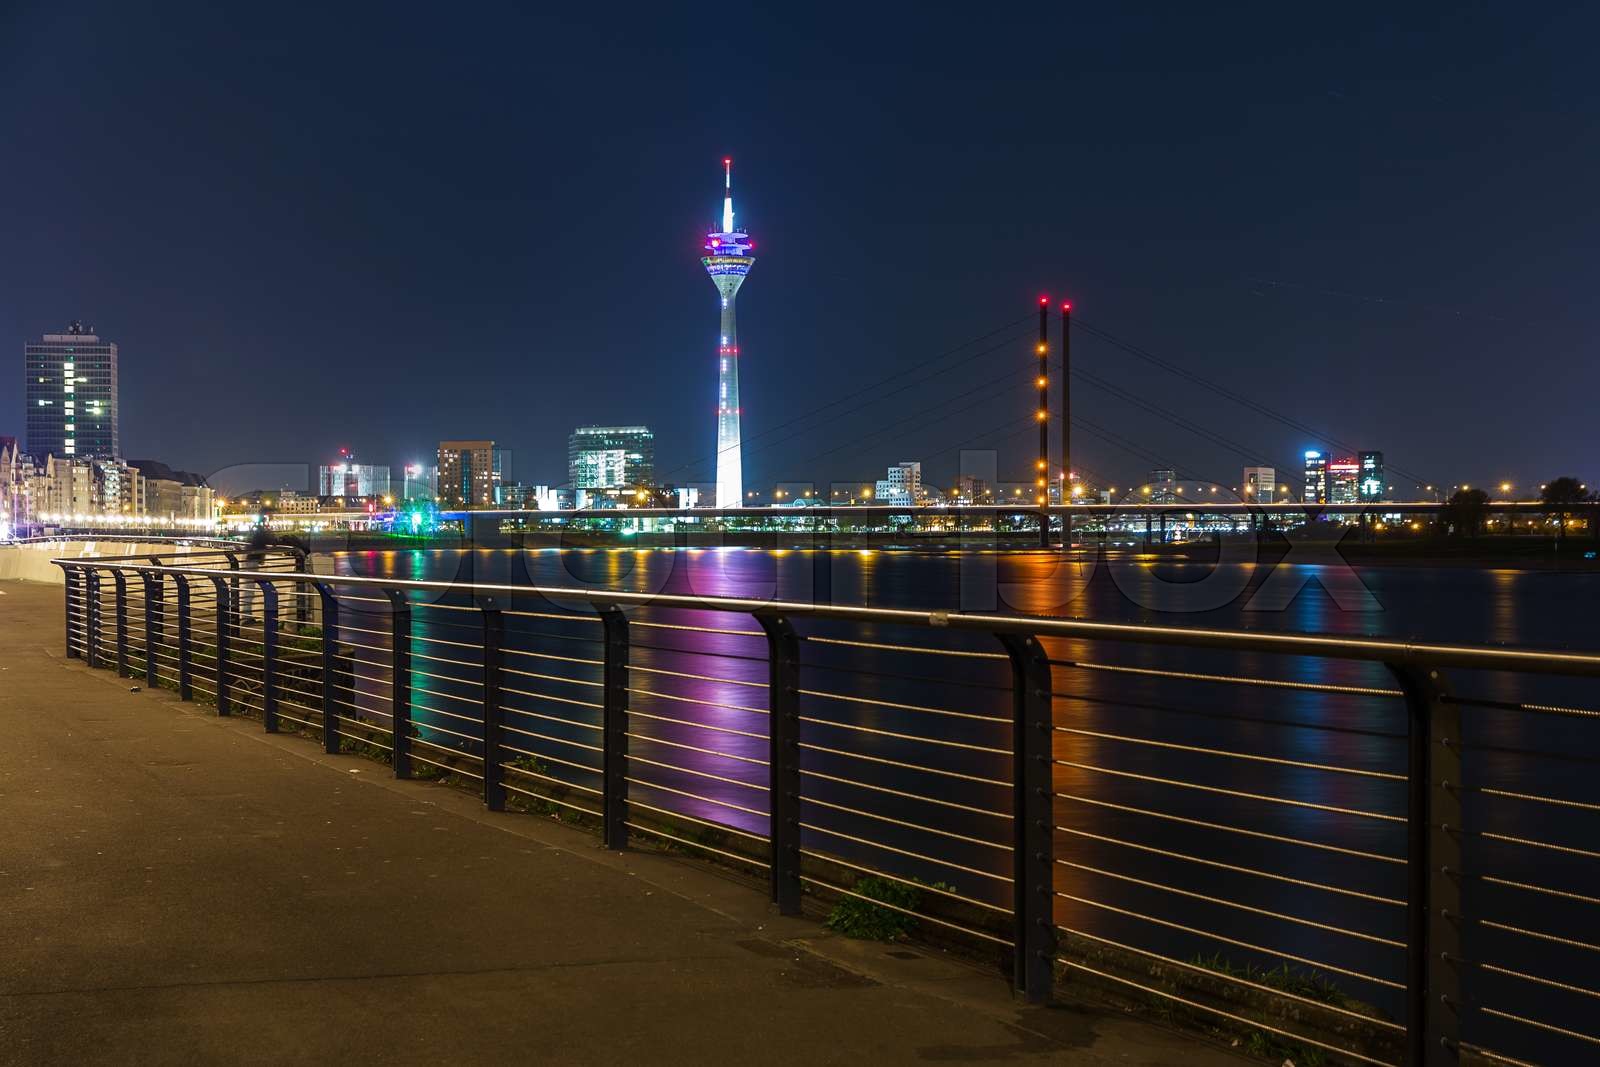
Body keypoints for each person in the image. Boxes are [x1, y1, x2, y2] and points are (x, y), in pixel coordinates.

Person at [239, 525, 271, 622]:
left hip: (250, 559)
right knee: (249, 589)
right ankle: (246, 616)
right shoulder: (261, 531)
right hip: (252, 561)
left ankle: (246, 614)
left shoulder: (256, 530)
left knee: (249, 588)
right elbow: (270, 541)